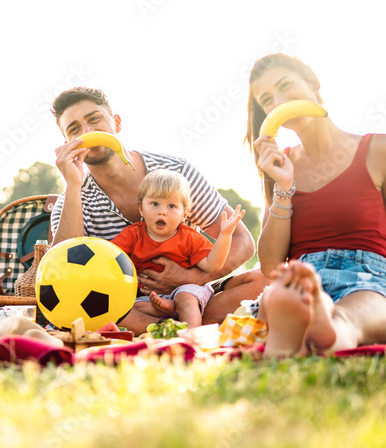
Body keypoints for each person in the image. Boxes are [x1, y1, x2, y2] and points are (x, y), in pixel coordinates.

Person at [245, 53, 386, 356]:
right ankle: (305, 319)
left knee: (350, 318)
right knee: (281, 299)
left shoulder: (381, 149)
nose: (277, 101)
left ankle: (314, 326)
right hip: (300, 280)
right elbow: (271, 264)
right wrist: (283, 185)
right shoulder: (279, 165)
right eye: (267, 99)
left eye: (285, 85)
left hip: (368, 281)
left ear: (313, 83)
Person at [50, 86, 265, 334]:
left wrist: (191, 279)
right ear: (67, 142)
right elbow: (62, 274)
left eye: (94, 119)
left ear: (116, 123)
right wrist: (74, 184)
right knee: (91, 311)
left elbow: (243, 242)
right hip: (129, 307)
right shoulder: (72, 197)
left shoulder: (176, 172)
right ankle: (184, 333)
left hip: (193, 297)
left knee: (265, 279)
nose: (87, 132)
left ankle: (167, 331)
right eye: (74, 129)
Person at [111, 170, 245, 328]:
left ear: (184, 214)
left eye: (172, 206)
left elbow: (213, 265)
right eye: (155, 204)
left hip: (188, 289)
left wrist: (225, 234)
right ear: (141, 208)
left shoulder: (189, 237)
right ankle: (168, 319)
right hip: (150, 297)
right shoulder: (133, 235)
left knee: (185, 299)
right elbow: (110, 253)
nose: (162, 211)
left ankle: (190, 336)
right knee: (127, 309)